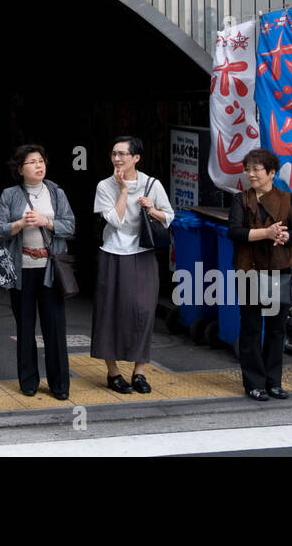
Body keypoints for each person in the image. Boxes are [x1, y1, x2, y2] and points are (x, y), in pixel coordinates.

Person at [92, 135, 174, 394]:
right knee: (110, 311)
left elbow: (169, 217)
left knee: (143, 310)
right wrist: (124, 190)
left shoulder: (152, 184)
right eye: (114, 154)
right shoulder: (105, 186)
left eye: (122, 154)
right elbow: (115, 220)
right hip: (112, 253)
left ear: (136, 158)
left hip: (142, 253)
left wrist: (152, 210)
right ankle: (113, 372)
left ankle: (139, 371)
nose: (117, 158)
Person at [0, 144, 75, 400]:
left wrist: (46, 222)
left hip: (50, 269)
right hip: (22, 269)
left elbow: (70, 226)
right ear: (20, 169)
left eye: (41, 161)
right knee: (25, 327)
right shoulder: (9, 195)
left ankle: (60, 385)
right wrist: (19, 224)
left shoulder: (56, 192)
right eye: (32, 162)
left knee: (54, 327)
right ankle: (28, 381)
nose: (39, 166)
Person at [227, 147, 292, 402]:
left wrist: (284, 236)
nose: (251, 174)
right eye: (247, 169)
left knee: (276, 329)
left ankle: (274, 382)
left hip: (278, 267)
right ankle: (254, 383)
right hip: (248, 268)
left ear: (271, 172)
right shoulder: (241, 200)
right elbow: (235, 232)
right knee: (251, 327)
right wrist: (266, 233)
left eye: (256, 169)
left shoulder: (285, 198)